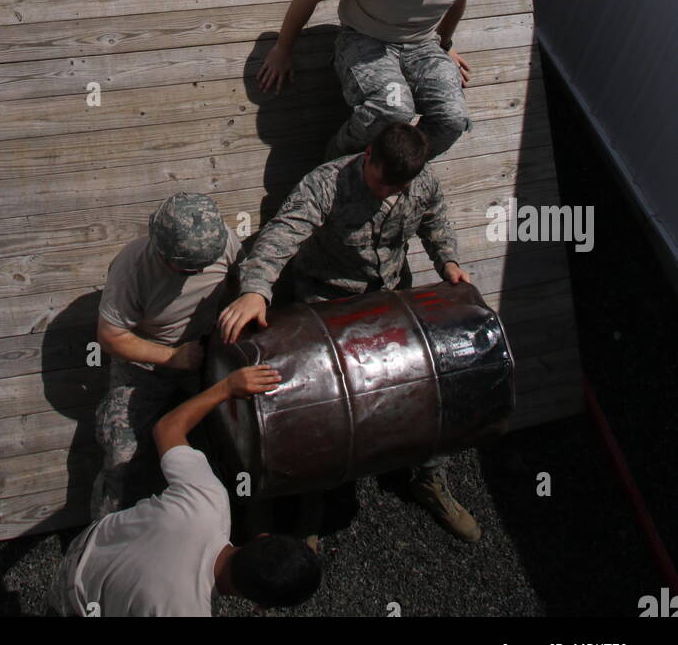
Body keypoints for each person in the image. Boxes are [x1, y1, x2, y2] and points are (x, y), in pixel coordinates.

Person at [217, 122, 481, 541]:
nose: (387, 194)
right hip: (329, 303)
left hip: (392, 298)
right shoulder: (327, 184)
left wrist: (448, 261)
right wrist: (256, 290)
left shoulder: (419, 181)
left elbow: (435, 220)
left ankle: (429, 477)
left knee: (427, 389)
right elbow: (283, 233)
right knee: (322, 409)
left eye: (398, 188)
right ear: (367, 156)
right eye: (381, 182)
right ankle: (311, 507)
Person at [48, 365, 322, 616]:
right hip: (79, 605)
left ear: (261, 536)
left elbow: (167, 428)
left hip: (87, 550)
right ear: (259, 605)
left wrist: (227, 387)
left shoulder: (208, 499)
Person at [257, 0, 482, 162]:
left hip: (422, 44)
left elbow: (456, 1)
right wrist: (283, 49)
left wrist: (445, 43)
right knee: (393, 109)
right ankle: (339, 164)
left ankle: (399, 168)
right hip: (365, 38)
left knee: (452, 119)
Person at [91, 192, 240, 519]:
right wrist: (173, 357)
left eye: (203, 266)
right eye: (187, 268)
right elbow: (110, 337)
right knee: (122, 454)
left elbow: (236, 280)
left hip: (205, 355)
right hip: (145, 365)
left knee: (232, 439)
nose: (198, 272)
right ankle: (104, 533)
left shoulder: (221, 242)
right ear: (160, 248)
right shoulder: (132, 268)